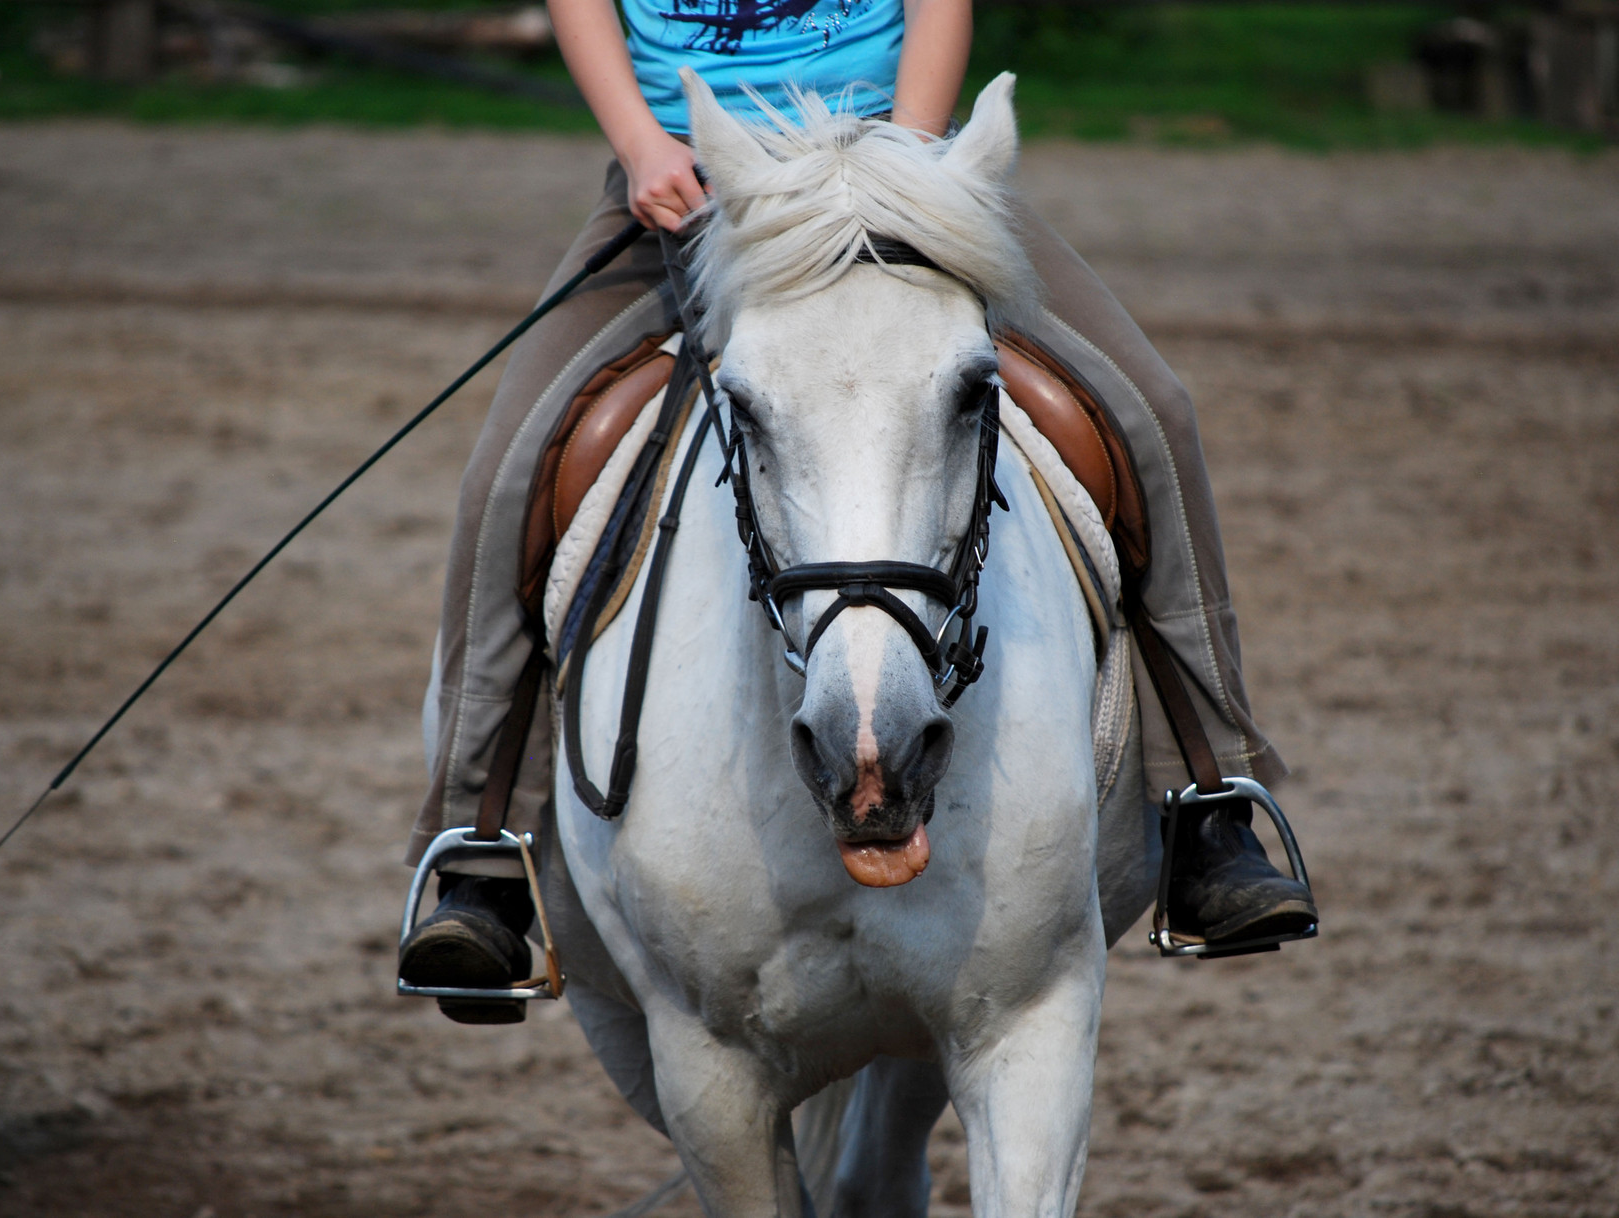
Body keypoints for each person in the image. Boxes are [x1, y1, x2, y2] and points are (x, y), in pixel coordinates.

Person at [396, 0, 1314, 1022]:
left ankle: (1214, 799)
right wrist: (639, 143)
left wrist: (911, 165)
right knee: (507, 477)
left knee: (1152, 415)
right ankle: (478, 848)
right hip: (688, 188)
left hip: (896, 168)